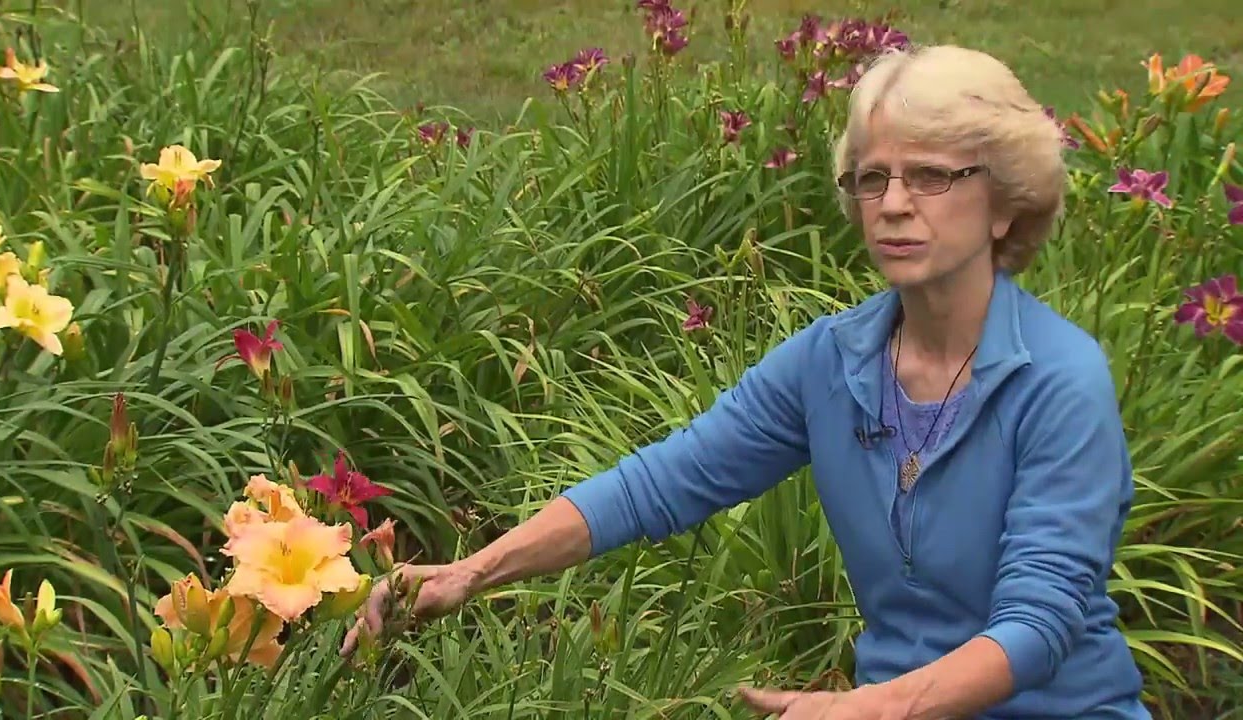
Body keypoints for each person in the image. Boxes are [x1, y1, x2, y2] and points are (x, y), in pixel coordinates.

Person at [343, 44, 1152, 719]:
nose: (894, 204)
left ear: (1006, 204)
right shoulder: (831, 362)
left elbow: (1039, 625)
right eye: (872, 178)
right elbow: (661, 483)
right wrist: (469, 572)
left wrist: (871, 708)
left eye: (932, 176)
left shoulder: (1060, 380)